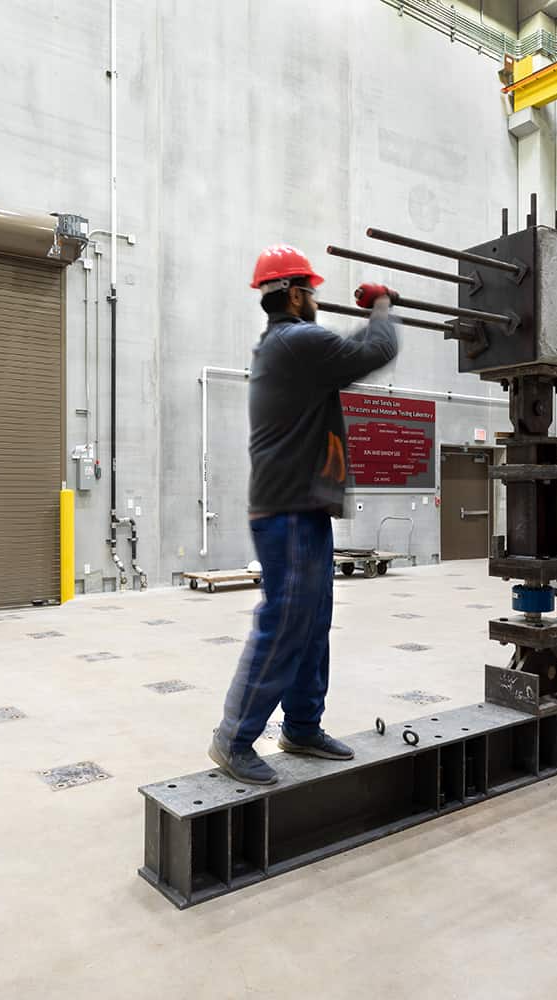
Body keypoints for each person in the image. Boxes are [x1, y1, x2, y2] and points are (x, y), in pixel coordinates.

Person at [208, 245, 400, 785]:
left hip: (304, 509)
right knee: (286, 621)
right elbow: (373, 350)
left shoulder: (288, 348)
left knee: (312, 624)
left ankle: (302, 726)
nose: (315, 300)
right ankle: (234, 738)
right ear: (294, 294)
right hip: (287, 510)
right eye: (312, 292)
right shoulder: (296, 342)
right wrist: (381, 304)